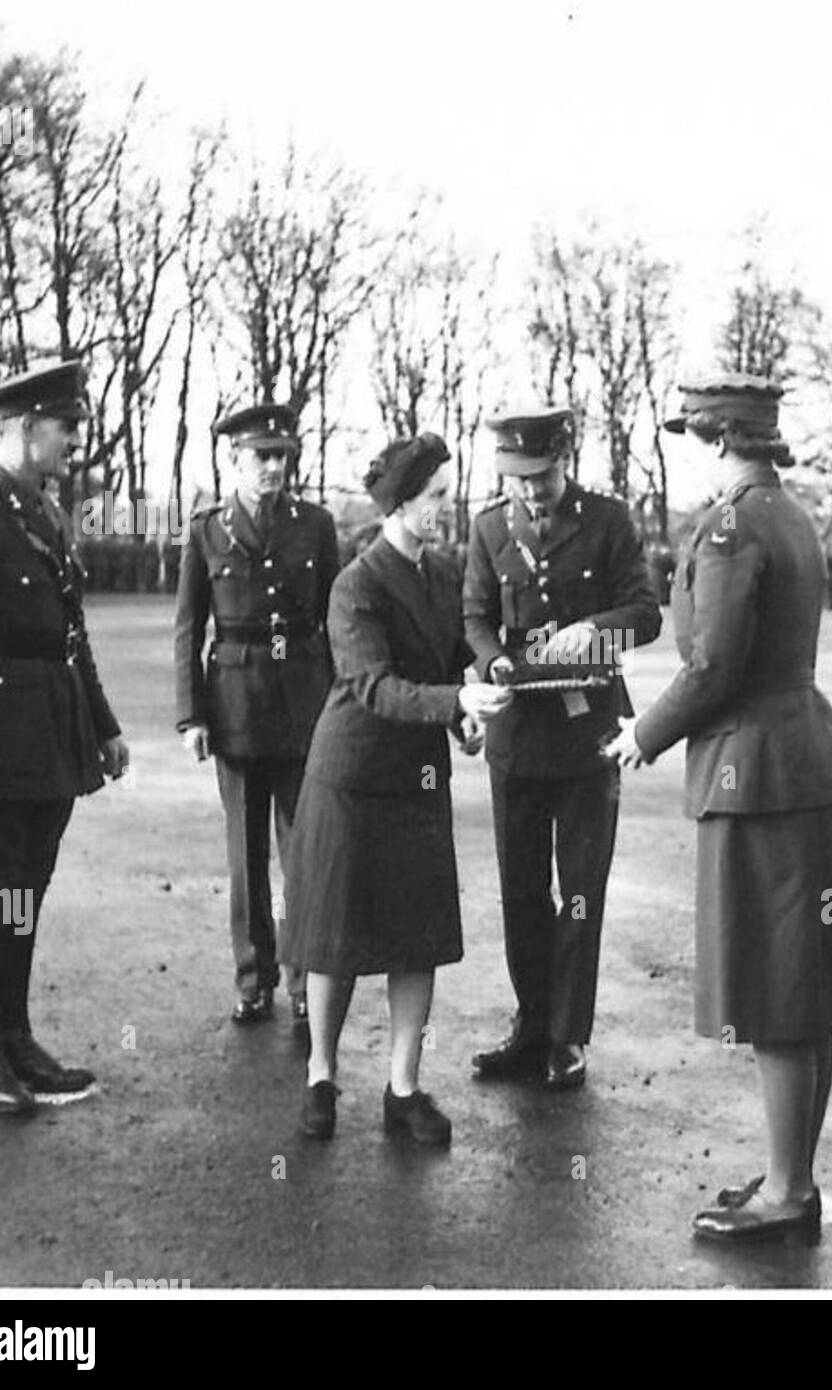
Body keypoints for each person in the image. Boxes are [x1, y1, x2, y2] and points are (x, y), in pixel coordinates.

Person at [606, 374, 832, 1243]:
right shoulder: (787, 515)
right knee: (808, 984)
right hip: (808, 760)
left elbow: (713, 666)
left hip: (755, 777)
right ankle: (792, 1173)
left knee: (775, 986)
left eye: (697, 439)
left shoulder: (729, 527)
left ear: (720, 441)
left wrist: (644, 734)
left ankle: (788, 1194)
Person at [281, 435, 511, 1144]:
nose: (446, 508)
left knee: (418, 940)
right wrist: (454, 705)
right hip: (351, 778)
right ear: (402, 501)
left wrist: (468, 716)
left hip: (415, 778)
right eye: (436, 496)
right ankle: (322, 1074)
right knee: (336, 938)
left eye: (448, 493)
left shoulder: (443, 576)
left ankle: (403, 1088)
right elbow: (373, 685)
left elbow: (448, 667)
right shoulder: (357, 584)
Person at [463, 405, 662, 1090]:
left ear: (564, 461)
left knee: (579, 892)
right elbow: (474, 616)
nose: (531, 491)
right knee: (521, 890)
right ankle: (531, 1026)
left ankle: (568, 1037)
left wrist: (594, 630)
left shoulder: (607, 521)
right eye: (518, 478)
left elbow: (647, 613)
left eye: (542, 476)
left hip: (587, 738)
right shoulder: (489, 527)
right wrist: (491, 665)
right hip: (518, 735)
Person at [0, 360, 130, 1114]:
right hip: (1, 742)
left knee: (25, 890)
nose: (74, 438)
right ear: (23, 426)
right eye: (64, 424)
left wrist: (102, 726)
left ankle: (15, 1033)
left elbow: (73, 633)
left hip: (50, 734)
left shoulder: (40, 512)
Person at [174, 404, 340, 1025]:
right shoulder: (205, 530)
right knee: (246, 856)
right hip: (236, 708)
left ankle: (303, 978)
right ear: (234, 460)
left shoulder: (315, 525)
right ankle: (253, 976)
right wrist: (192, 716)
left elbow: (337, 616)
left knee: (305, 850)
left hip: (304, 704)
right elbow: (189, 629)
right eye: (260, 456)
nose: (273, 467)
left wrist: (344, 702)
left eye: (281, 456)